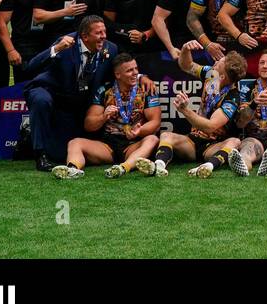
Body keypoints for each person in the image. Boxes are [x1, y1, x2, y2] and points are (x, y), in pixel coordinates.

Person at [23, 14, 121, 169]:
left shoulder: (111, 49)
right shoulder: (66, 43)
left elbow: (119, 70)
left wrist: (141, 77)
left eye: (104, 32)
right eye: (98, 33)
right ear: (85, 36)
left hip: (75, 101)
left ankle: (33, 141)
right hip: (50, 90)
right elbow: (31, 67)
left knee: (62, 154)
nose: (104, 37)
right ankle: (39, 155)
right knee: (41, 100)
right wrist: (56, 48)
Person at [51, 52, 162, 180]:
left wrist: (139, 132)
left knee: (152, 139)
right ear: (117, 74)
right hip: (108, 146)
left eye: (136, 68)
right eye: (129, 70)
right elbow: (88, 125)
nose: (135, 73)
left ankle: (123, 168)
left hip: (133, 145)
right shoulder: (104, 90)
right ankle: (73, 170)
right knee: (75, 143)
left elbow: (155, 122)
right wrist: (103, 117)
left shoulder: (146, 89)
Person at [163, 47, 248, 178]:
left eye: (219, 63)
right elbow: (187, 65)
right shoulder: (210, 74)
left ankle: (208, 166)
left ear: (222, 76)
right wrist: (186, 49)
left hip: (213, 147)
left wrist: (185, 111)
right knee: (166, 136)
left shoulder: (233, 97)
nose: (215, 62)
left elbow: (211, 126)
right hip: (192, 141)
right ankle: (159, 166)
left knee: (234, 142)